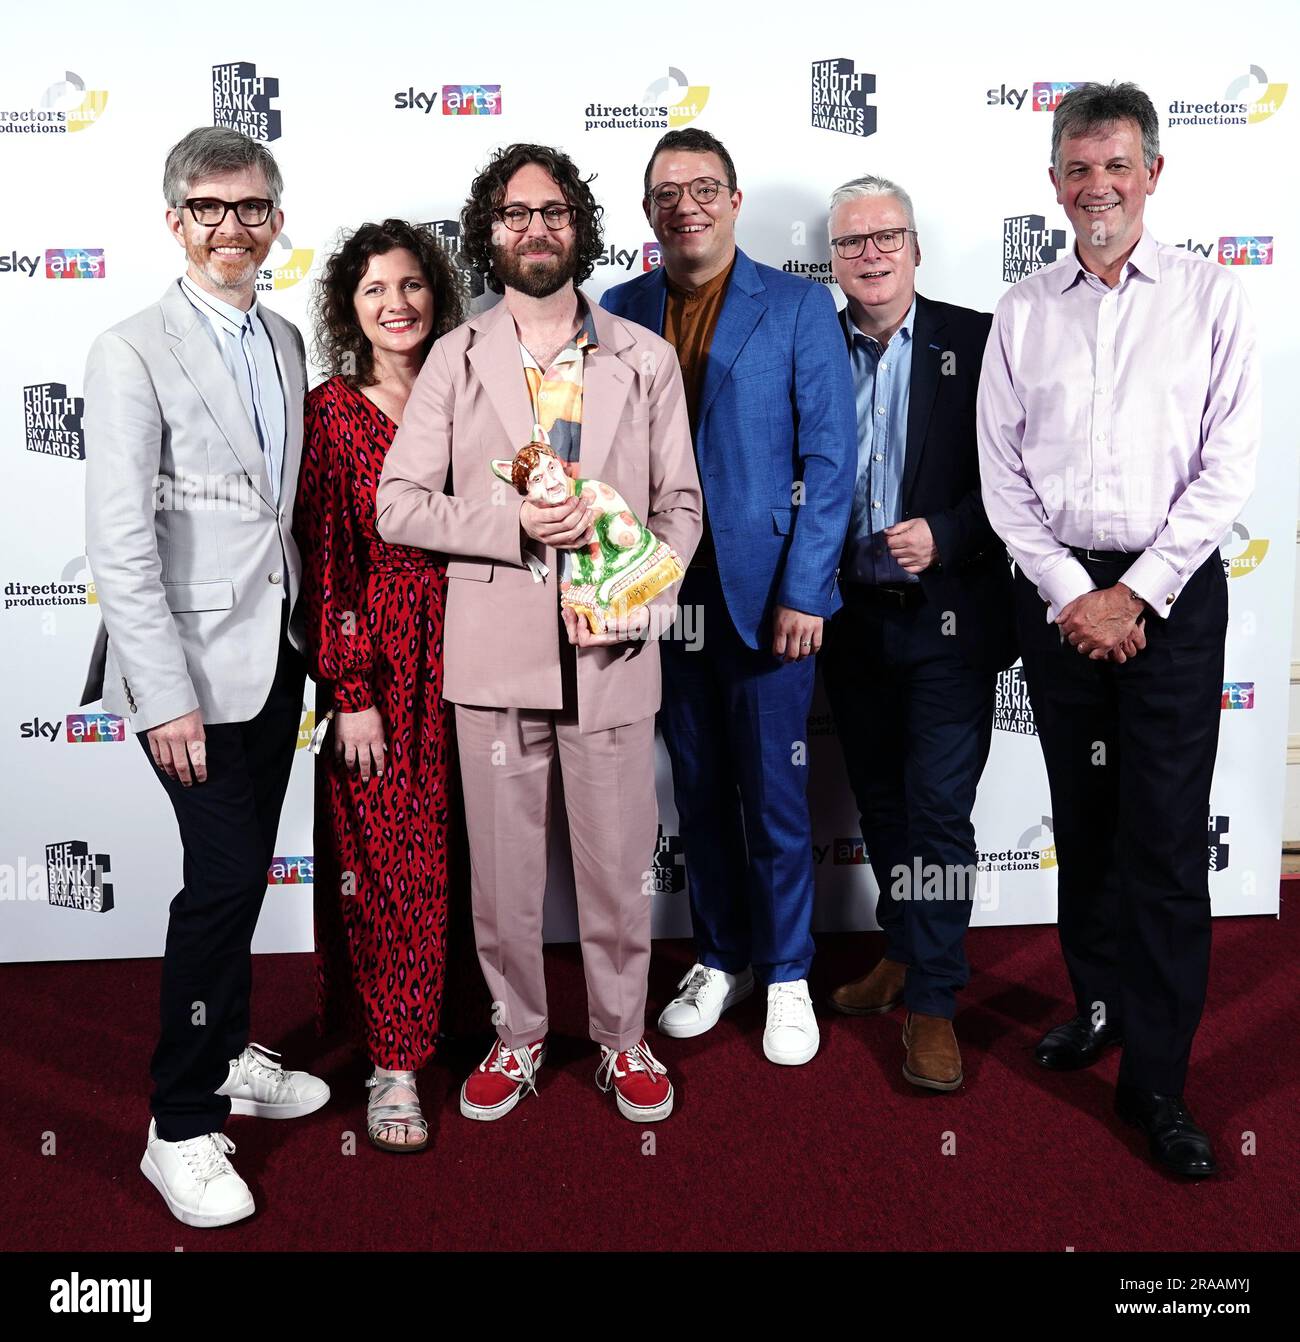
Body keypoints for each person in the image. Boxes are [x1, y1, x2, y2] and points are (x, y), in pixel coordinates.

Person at [375, 144, 701, 1124]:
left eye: (553, 212)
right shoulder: (454, 356)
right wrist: (506, 522)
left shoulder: (642, 357)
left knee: (612, 868)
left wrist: (639, 578)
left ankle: (620, 1037)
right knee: (508, 879)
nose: (535, 229)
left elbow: (682, 505)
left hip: (611, 649)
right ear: (491, 232)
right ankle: (516, 1038)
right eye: (515, 214)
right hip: (495, 655)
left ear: (579, 228)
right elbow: (397, 503)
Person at [977, 82, 1260, 1176]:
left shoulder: (1211, 298)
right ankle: (1095, 1002)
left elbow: (1227, 465)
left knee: (1160, 837)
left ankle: (1159, 1079)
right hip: (1056, 603)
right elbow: (1001, 474)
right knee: (1083, 819)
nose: (1097, 186)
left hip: (1170, 602)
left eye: (1116, 166)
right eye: (1078, 168)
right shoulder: (1021, 310)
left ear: (1152, 175)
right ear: (1054, 183)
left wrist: (1134, 594)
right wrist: (1067, 592)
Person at [80, 126, 328, 1227]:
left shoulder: (283, 336)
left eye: (251, 206)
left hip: (273, 662)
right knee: (223, 886)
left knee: (237, 877)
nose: (232, 226)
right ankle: (177, 1123)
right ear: (174, 221)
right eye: (208, 207)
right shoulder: (129, 349)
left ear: (277, 218)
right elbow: (122, 544)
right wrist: (163, 693)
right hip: (183, 677)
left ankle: (227, 1052)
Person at [602, 128, 855, 1064]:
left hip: (766, 604)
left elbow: (828, 462)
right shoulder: (616, 311)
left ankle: (789, 973)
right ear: (648, 213)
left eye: (704, 188)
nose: (687, 206)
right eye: (667, 193)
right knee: (700, 793)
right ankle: (723, 956)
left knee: (778, 801)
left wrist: (807, 591)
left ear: (736, 201)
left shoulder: (796, 306)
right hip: (659, 604)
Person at [821, 175, 1017, 1091]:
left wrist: (950, 532)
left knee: (938, 818)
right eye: (852, 240)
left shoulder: (976, 342)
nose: (870, 252)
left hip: (948, 626)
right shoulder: (809, 343)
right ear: (832, 257)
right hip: (849, 625)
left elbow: (1027, 482)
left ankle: (935, 1000)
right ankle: (902, 951)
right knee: (886, 807)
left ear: (915, 247)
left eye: (885, 236)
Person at [293, 220, 466, 1153]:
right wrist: (350, 687)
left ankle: (476, 1027)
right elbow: (328, 565)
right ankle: (394, 1062)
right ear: (349, 308)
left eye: (410, 285)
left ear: (436, 293)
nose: (395, 304)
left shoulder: (468, 396)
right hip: (386, 664)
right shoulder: (331, 411)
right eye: (373, 291)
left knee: (480, 858)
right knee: (392, 863)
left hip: (479, 647)